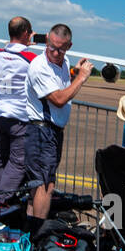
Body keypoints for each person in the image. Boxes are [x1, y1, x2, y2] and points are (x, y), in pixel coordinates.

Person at [25, 24, 92, 219]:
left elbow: (61, 85)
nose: (54, 52)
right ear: (46, 40)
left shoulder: (64, 61)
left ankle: (31, 231)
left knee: (39, 186)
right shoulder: (39, 67)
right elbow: (59, 99)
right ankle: (38, 233)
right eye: (51, 46)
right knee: (45, 185)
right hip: (41, 131)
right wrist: (81, 77)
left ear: (69, 46)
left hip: (53, 132)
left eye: (60, 49)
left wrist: (72, 74)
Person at [0, 16, 38, 198]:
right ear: (26, 33)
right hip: (21, 117)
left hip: (2, 114)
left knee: (1, 157)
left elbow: (10, 55)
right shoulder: (31, 58)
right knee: (18, 162)